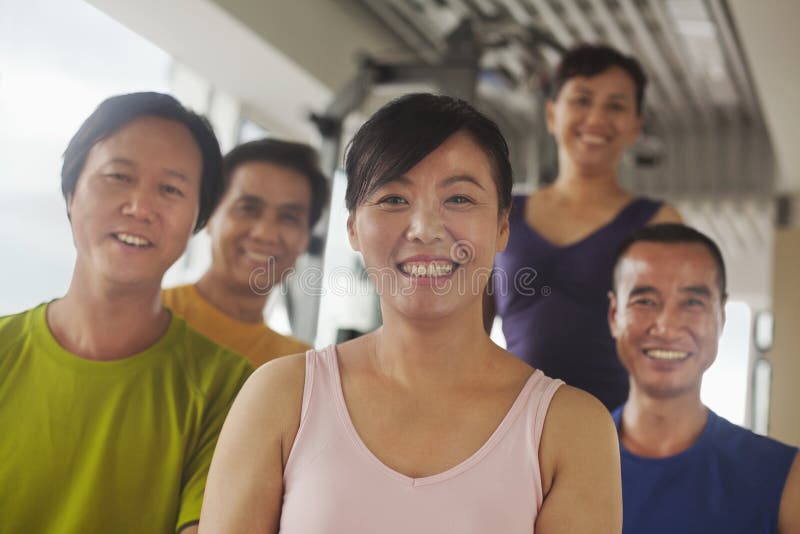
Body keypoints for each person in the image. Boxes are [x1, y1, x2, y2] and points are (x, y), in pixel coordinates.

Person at [199, 93, 622, 533]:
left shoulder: (570, 429)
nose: (425, 229)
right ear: (353, 229)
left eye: (458, 199)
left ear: (501, 227)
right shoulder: (281, 397)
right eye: (393, 199)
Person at [0, 92, 253, 533]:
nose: (140, 207)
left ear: (198, 220)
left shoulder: (230, 390)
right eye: (118, 176)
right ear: (71, 192)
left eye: (171, 189)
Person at [492, 44, 683, 411]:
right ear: (551, 114)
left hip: (614, 434)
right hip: (511, 424)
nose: (596, 118)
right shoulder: (504, 214)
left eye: (615, 105)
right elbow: (470, 333)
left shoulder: (658, 222)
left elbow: (670, 343)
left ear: (635, 126)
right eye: (582, 100)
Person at [608, 223, 800, 534]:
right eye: (645, 301)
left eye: (692, 303)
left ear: (721, 317)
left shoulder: (785, 477)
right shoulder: (563, 465)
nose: (667, 327)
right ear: (614, 315)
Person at [163, 139, 328, 367]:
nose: (265, 234)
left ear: (305, 239)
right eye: (247, 209)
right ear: (209, 215)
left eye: (289, 217)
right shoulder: (149, 320)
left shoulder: (300, 367)